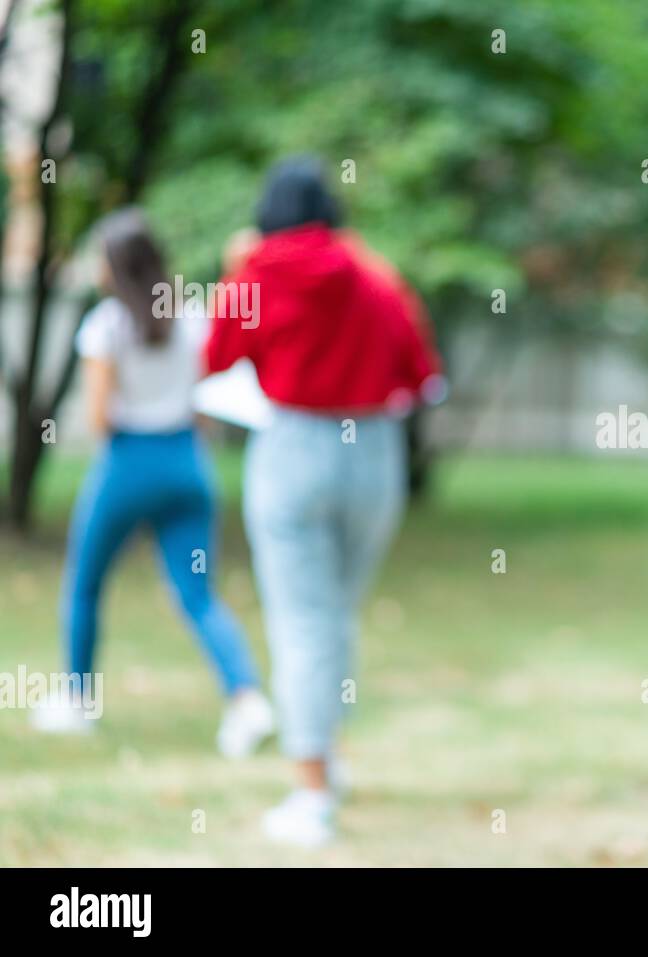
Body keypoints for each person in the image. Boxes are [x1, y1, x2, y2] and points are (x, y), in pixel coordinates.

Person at [206, 156, 442, 847]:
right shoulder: (375, 272)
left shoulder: (258, 268)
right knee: (333, 614)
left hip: (293, 449)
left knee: (302, 619)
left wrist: (234, 270)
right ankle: (326, 759)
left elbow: (216, 353)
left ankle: (311, 791)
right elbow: (421, 373)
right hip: (373, 453)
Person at [32, 208, 275, 760]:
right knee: (197, 595)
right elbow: (209, 403)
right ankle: (246, 698)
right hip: (188, 462)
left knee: (85, 584)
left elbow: (98, 419)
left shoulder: (105, 327)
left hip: (127, 463)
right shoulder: (190, 318)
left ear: (113, 267)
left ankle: (77, 700)